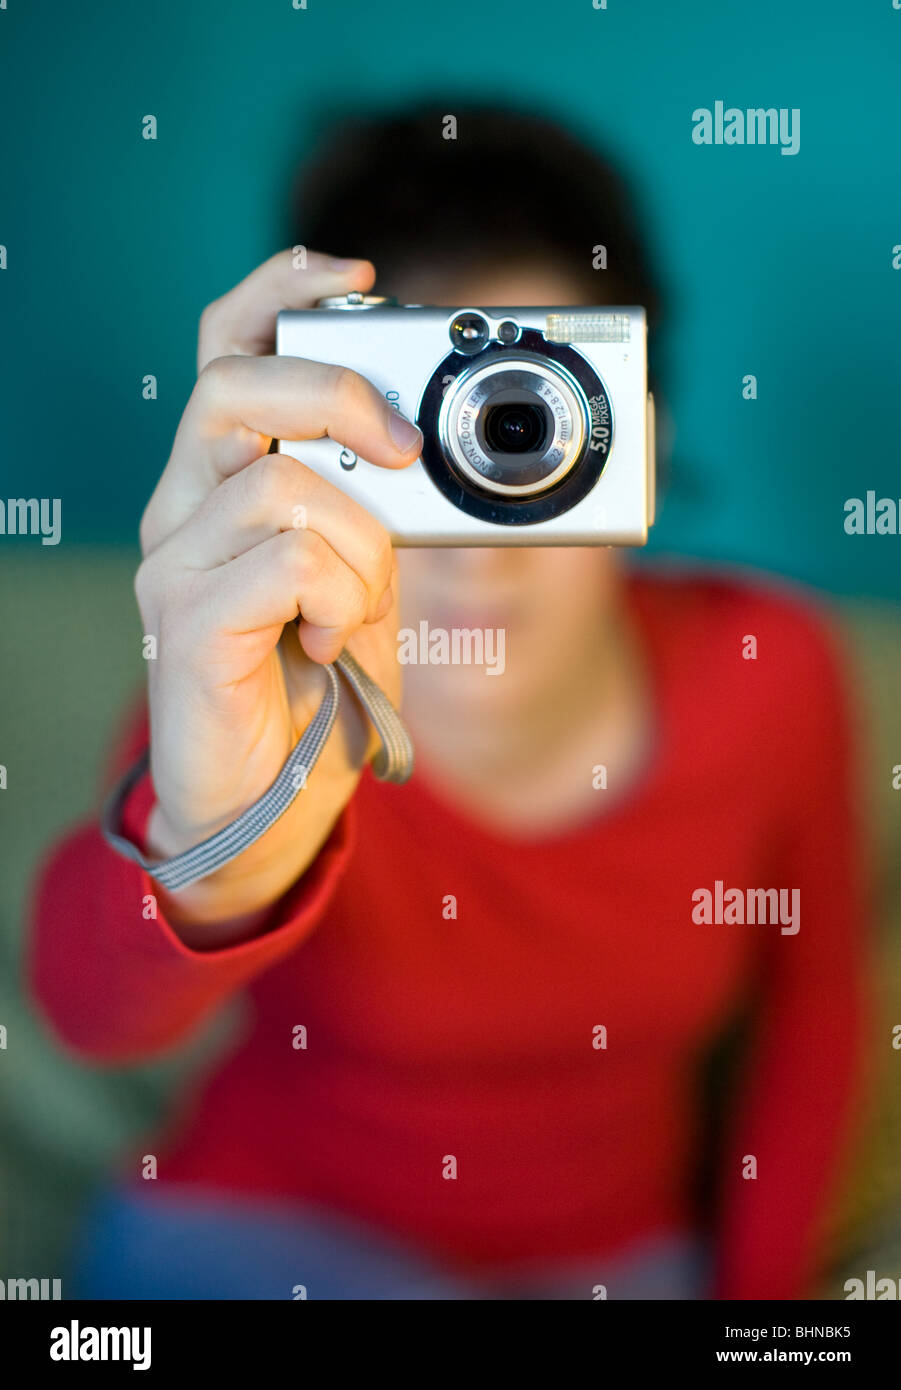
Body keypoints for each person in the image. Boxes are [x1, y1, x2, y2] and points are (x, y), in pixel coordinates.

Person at [29, 104, 870, 1300]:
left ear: (644, 432)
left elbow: (810, 1029)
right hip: (263, 1236)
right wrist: (219, 847)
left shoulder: (771, 670)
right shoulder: (262, 673)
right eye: (404, 437)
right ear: (301, 443)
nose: (481, 546)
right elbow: (89, 1014)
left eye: (522, 426)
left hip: (613, 1262)